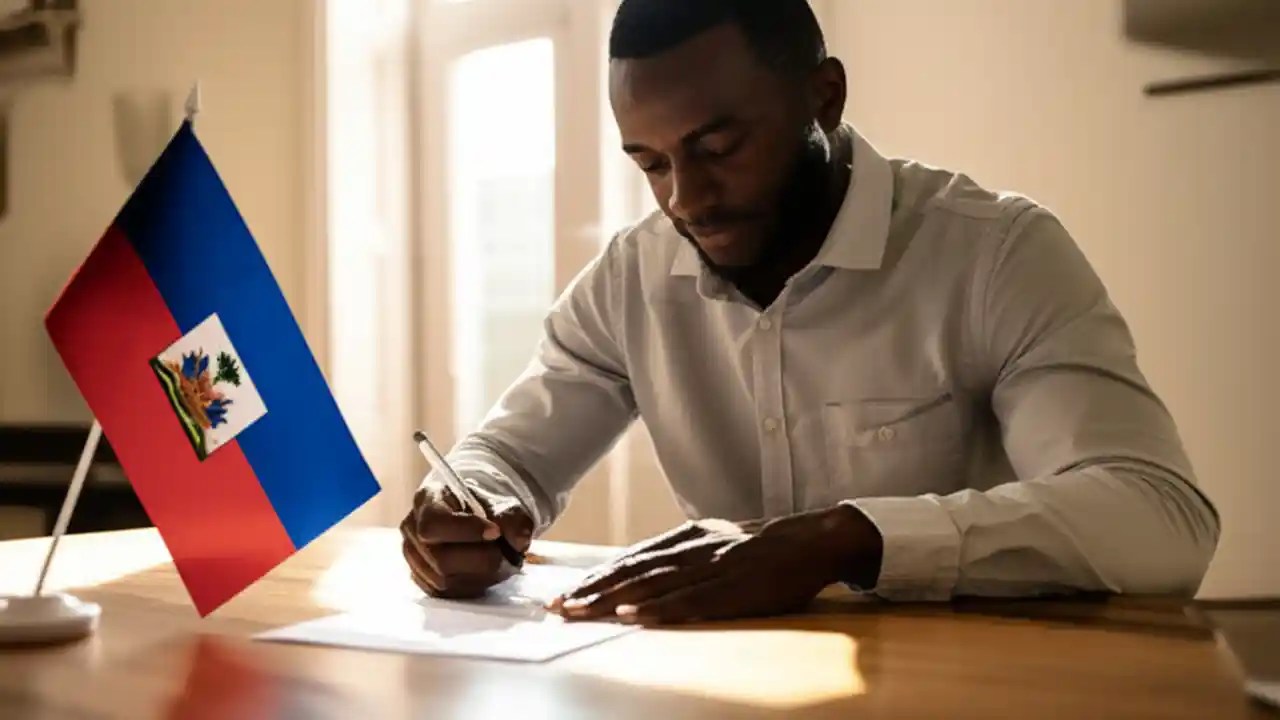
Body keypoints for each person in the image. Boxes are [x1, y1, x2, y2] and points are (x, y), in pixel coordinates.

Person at [399, 0, 1219, 625]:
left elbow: (1160, 519)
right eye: (651, 164)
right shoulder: (631, 279)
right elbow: (506, 457)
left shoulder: (995, 255)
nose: (687, 199)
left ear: (823, 98)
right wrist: (469, 504)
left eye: (719, 148)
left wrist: (848, 539)